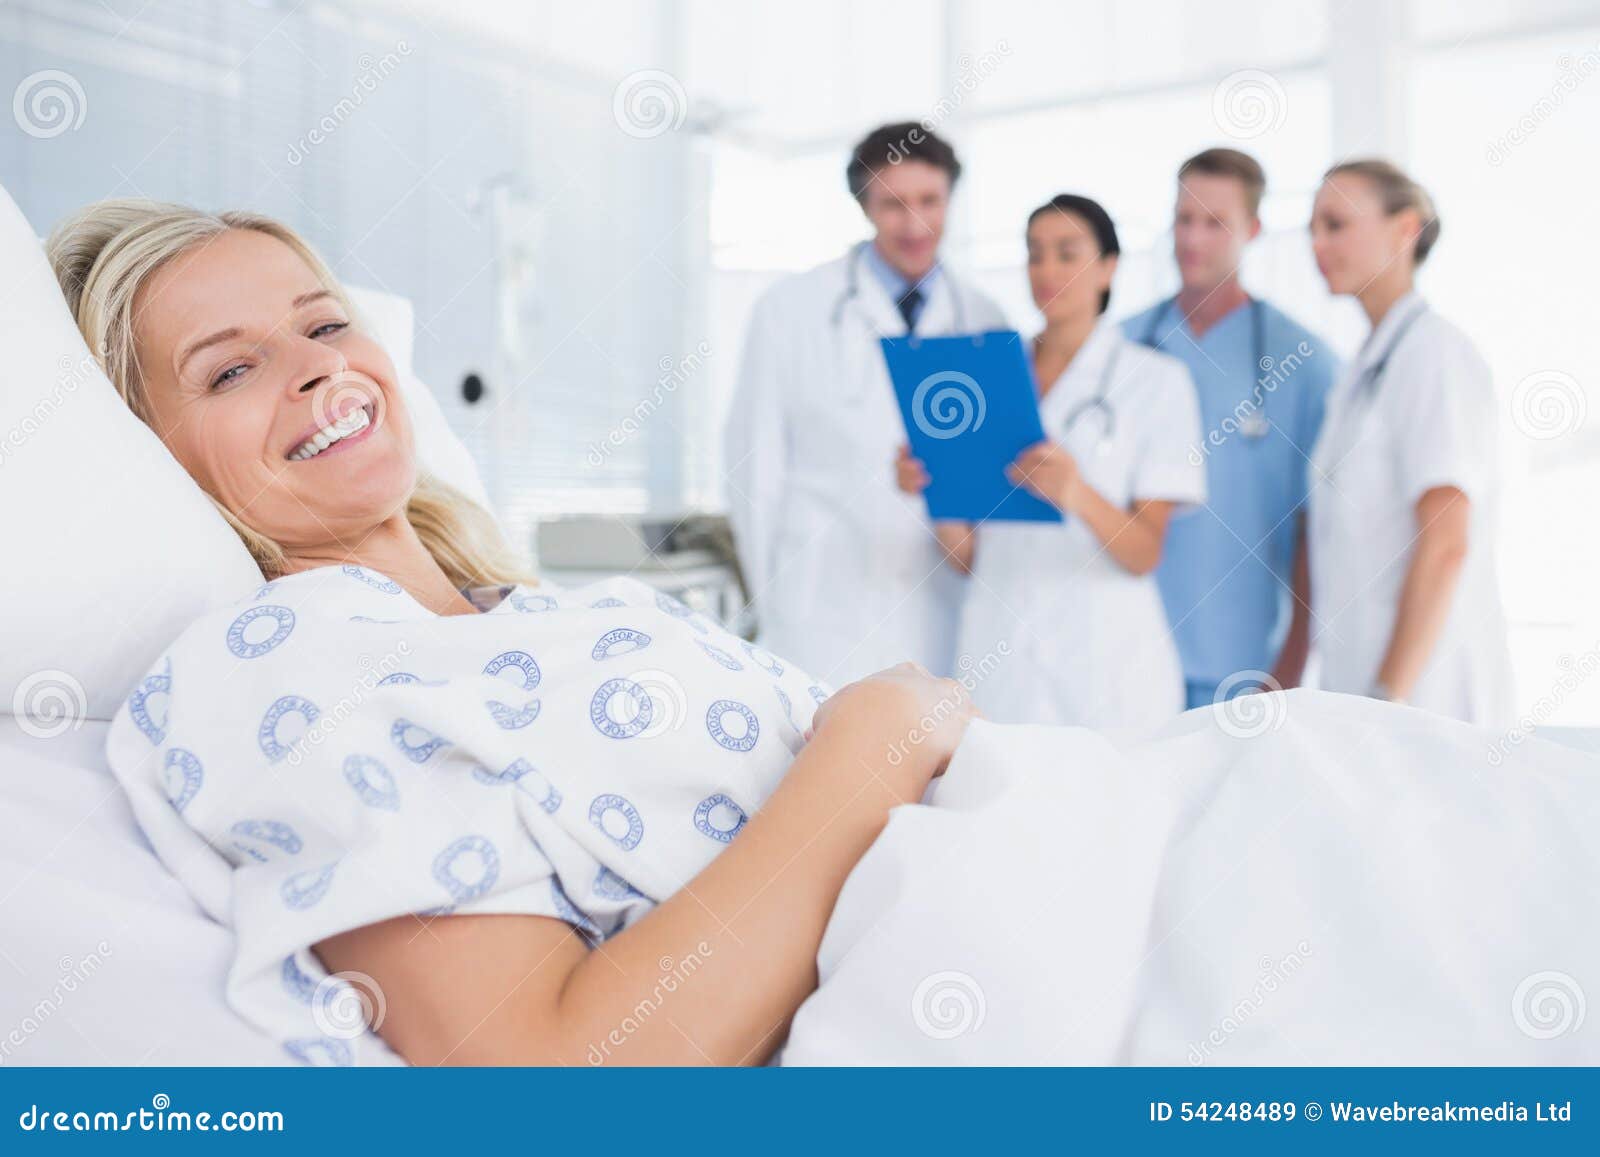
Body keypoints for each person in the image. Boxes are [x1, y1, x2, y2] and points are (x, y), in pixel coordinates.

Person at [50, 197, 979, 1067]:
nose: (319, 365)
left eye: (326, 324)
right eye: (230, 369)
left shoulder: (534, 612)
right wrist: (873, 745)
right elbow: (549, 1079)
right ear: (149, 460)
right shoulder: (285, 670)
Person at [898, 195, 1205, 728]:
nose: (1046, 270)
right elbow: (967, 558)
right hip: (1000, 656)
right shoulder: (983, 377)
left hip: (1106, 663)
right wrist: (935, 487)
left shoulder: (1156, 382)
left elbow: (1143, 553)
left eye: (1067, 253)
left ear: (1108, 267)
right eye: (1035, 253)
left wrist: (1077, 494)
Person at [723, 122, 1007, 687]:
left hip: (939, 607)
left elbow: (993, 491)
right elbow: (753, 467)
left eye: (930, 200)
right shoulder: (790, 309)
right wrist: (777, 599)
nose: (915, 223)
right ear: (865, 207)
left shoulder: (985, 321)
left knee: (934, 768)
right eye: (893, 204)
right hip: (821, 607)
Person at [1123, 148, 1338, 708]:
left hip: (1243, 662)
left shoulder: (1303, 362)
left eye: (1215, 224)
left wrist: (1291, 666)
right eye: (1183, 220)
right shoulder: (1121, 349)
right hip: (1126, 649)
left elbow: (1318, 529)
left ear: (1254, 229)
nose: (1192, 240)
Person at [1306, 160, 1512, 723]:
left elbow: (1447, 540)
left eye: (1336, 224)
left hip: (1423, 698)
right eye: (1313, 228)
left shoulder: (1433, 354)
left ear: (1405, 230)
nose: (1318, 243)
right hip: (1368, 694)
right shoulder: (1363, 371)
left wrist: (1388, 698)